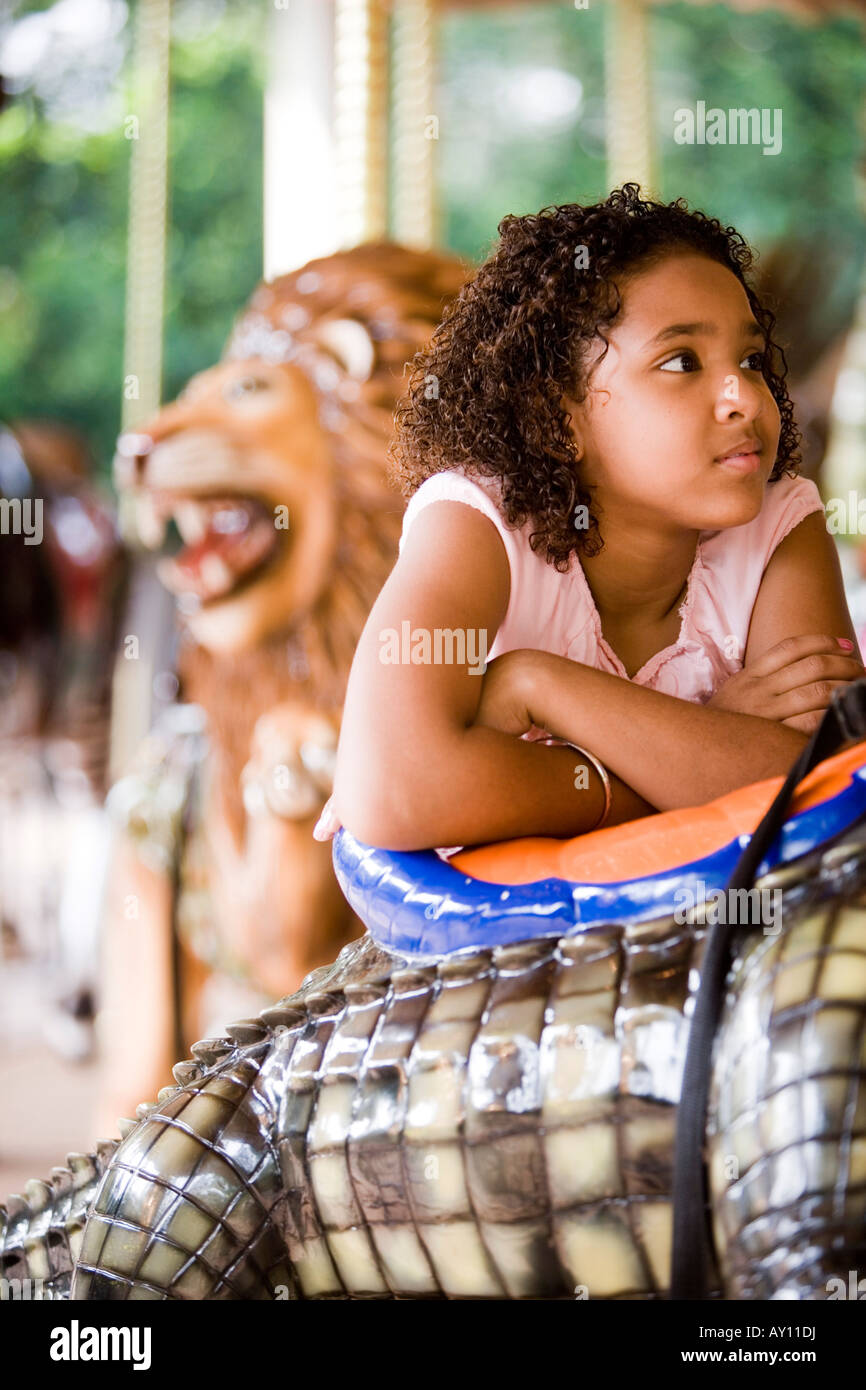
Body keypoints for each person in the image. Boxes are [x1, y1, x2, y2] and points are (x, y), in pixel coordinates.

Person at [314, 183, 864, 855]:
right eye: (681, 361)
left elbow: (829, 788)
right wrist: (701, 744)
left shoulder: (779, 525)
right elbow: (396, 791)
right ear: (559, 416)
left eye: (749, 360)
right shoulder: (478, 525)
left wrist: (538, 684)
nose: (744, 397)